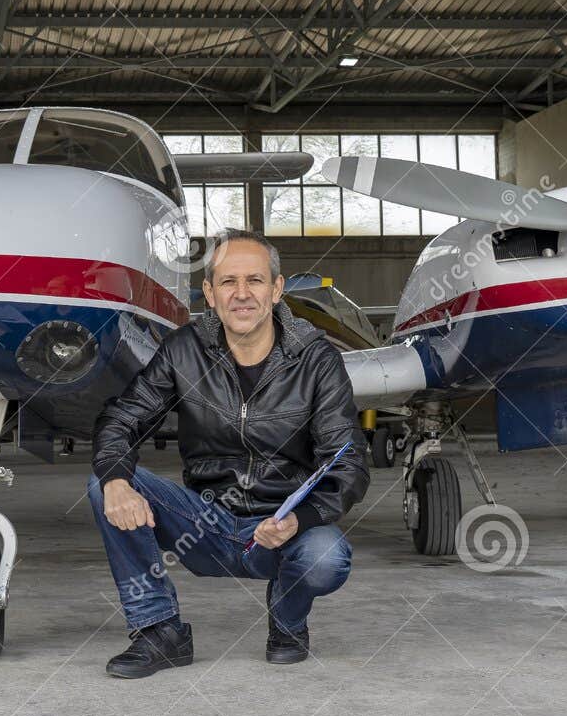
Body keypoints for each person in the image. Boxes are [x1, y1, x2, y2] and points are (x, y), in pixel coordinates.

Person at [87, 229, 369, 679]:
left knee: (327, 557)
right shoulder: (184, 350)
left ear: (277, 290)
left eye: (255, 281)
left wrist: (301, 518)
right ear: (210, 294)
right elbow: (124, 418)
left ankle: (288, 623)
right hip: (205, 524)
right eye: (228, 282)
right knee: (107, 485)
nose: (242, 294)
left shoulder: (316, 360)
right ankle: (159, 631)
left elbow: (349, 462)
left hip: (281, 526)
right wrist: (117, 480)